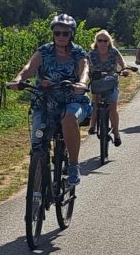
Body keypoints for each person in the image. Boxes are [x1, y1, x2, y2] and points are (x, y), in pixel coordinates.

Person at [15, 13, 91, 187]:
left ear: (72, 34)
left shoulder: (78, 52)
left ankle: (73, 165)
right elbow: (29, 68)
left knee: (69, 118)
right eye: (58, 33)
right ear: (53, 34)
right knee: (38, 145)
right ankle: (36, 194)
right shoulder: (44, 51)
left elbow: (84, 69)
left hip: (72, 100)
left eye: (66, 33)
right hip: (45, 102)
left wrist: (81, 83)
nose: (61, 37)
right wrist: (19, 79)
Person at [86, 28, 128, 146]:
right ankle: (92, 125)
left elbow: (122, 62)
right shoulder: (91, 54)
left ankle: (116, 133)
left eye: (105, 41)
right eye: (100, 40)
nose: (102, 43)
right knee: (95, 102)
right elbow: (84, 65)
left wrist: (124, 69)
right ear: (96, 42)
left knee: (112, 106)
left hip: (111, 82)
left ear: (109, 42)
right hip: (97, 82)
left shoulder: (114, 52)